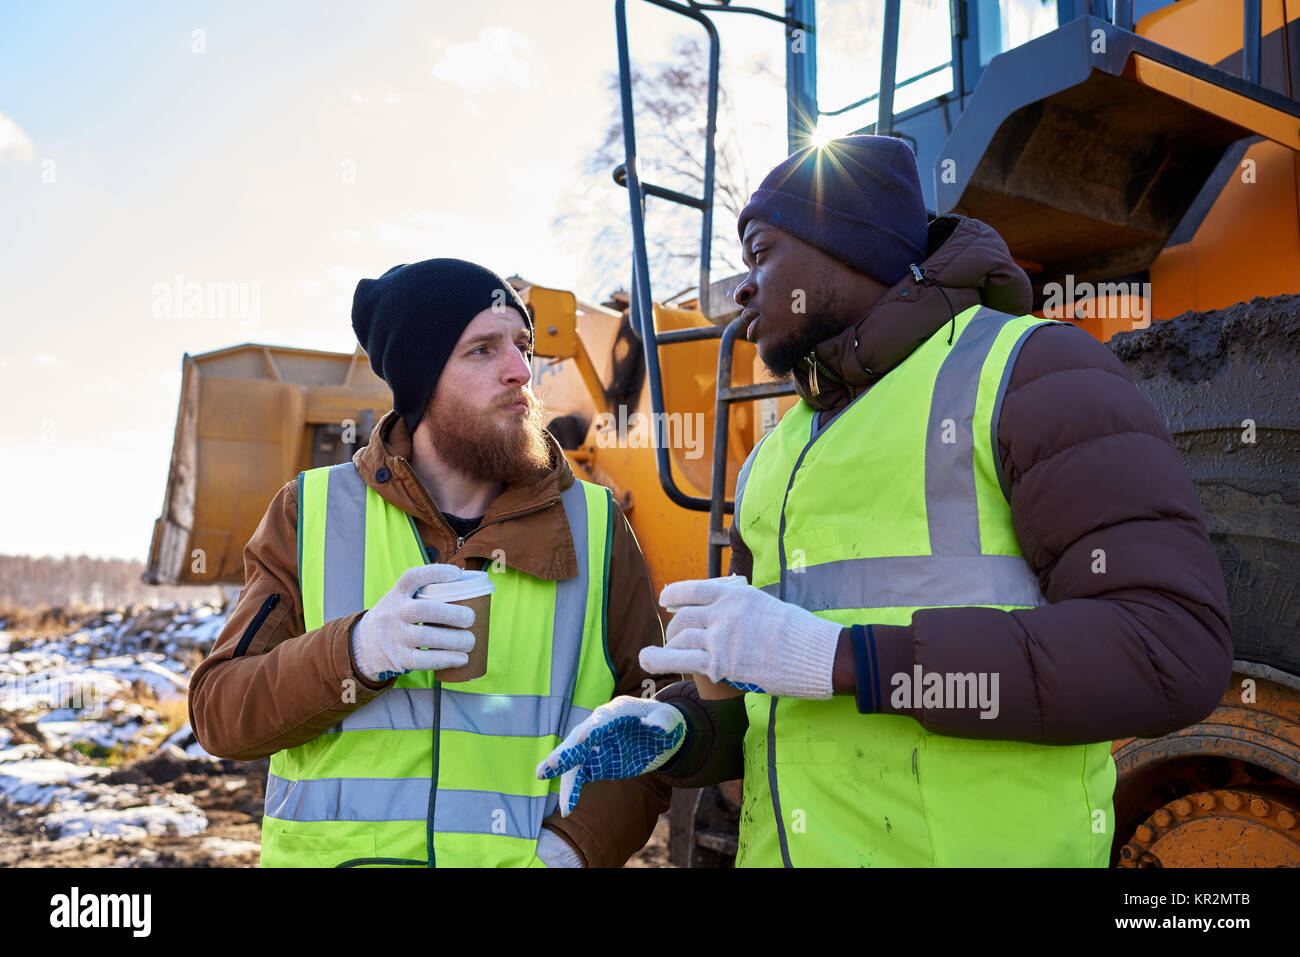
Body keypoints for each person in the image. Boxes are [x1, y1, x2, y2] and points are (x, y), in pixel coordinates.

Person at [537, 136, 1233, 867]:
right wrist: (682, 729)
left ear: (851, 251)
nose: (742, 290)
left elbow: (1168, 650)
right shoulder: (773, 458)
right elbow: (774, 705)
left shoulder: (1033, 371)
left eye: (761, 253)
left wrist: (844, 656)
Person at [191, 258, 672, 867]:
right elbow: (221, 714)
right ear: (420, 383)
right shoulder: (311, 512)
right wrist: (360, 651)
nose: (520, 371)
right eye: (482, 350)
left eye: (522, 346)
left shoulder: (597, 526)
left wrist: (573, 850)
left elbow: (654, 722)